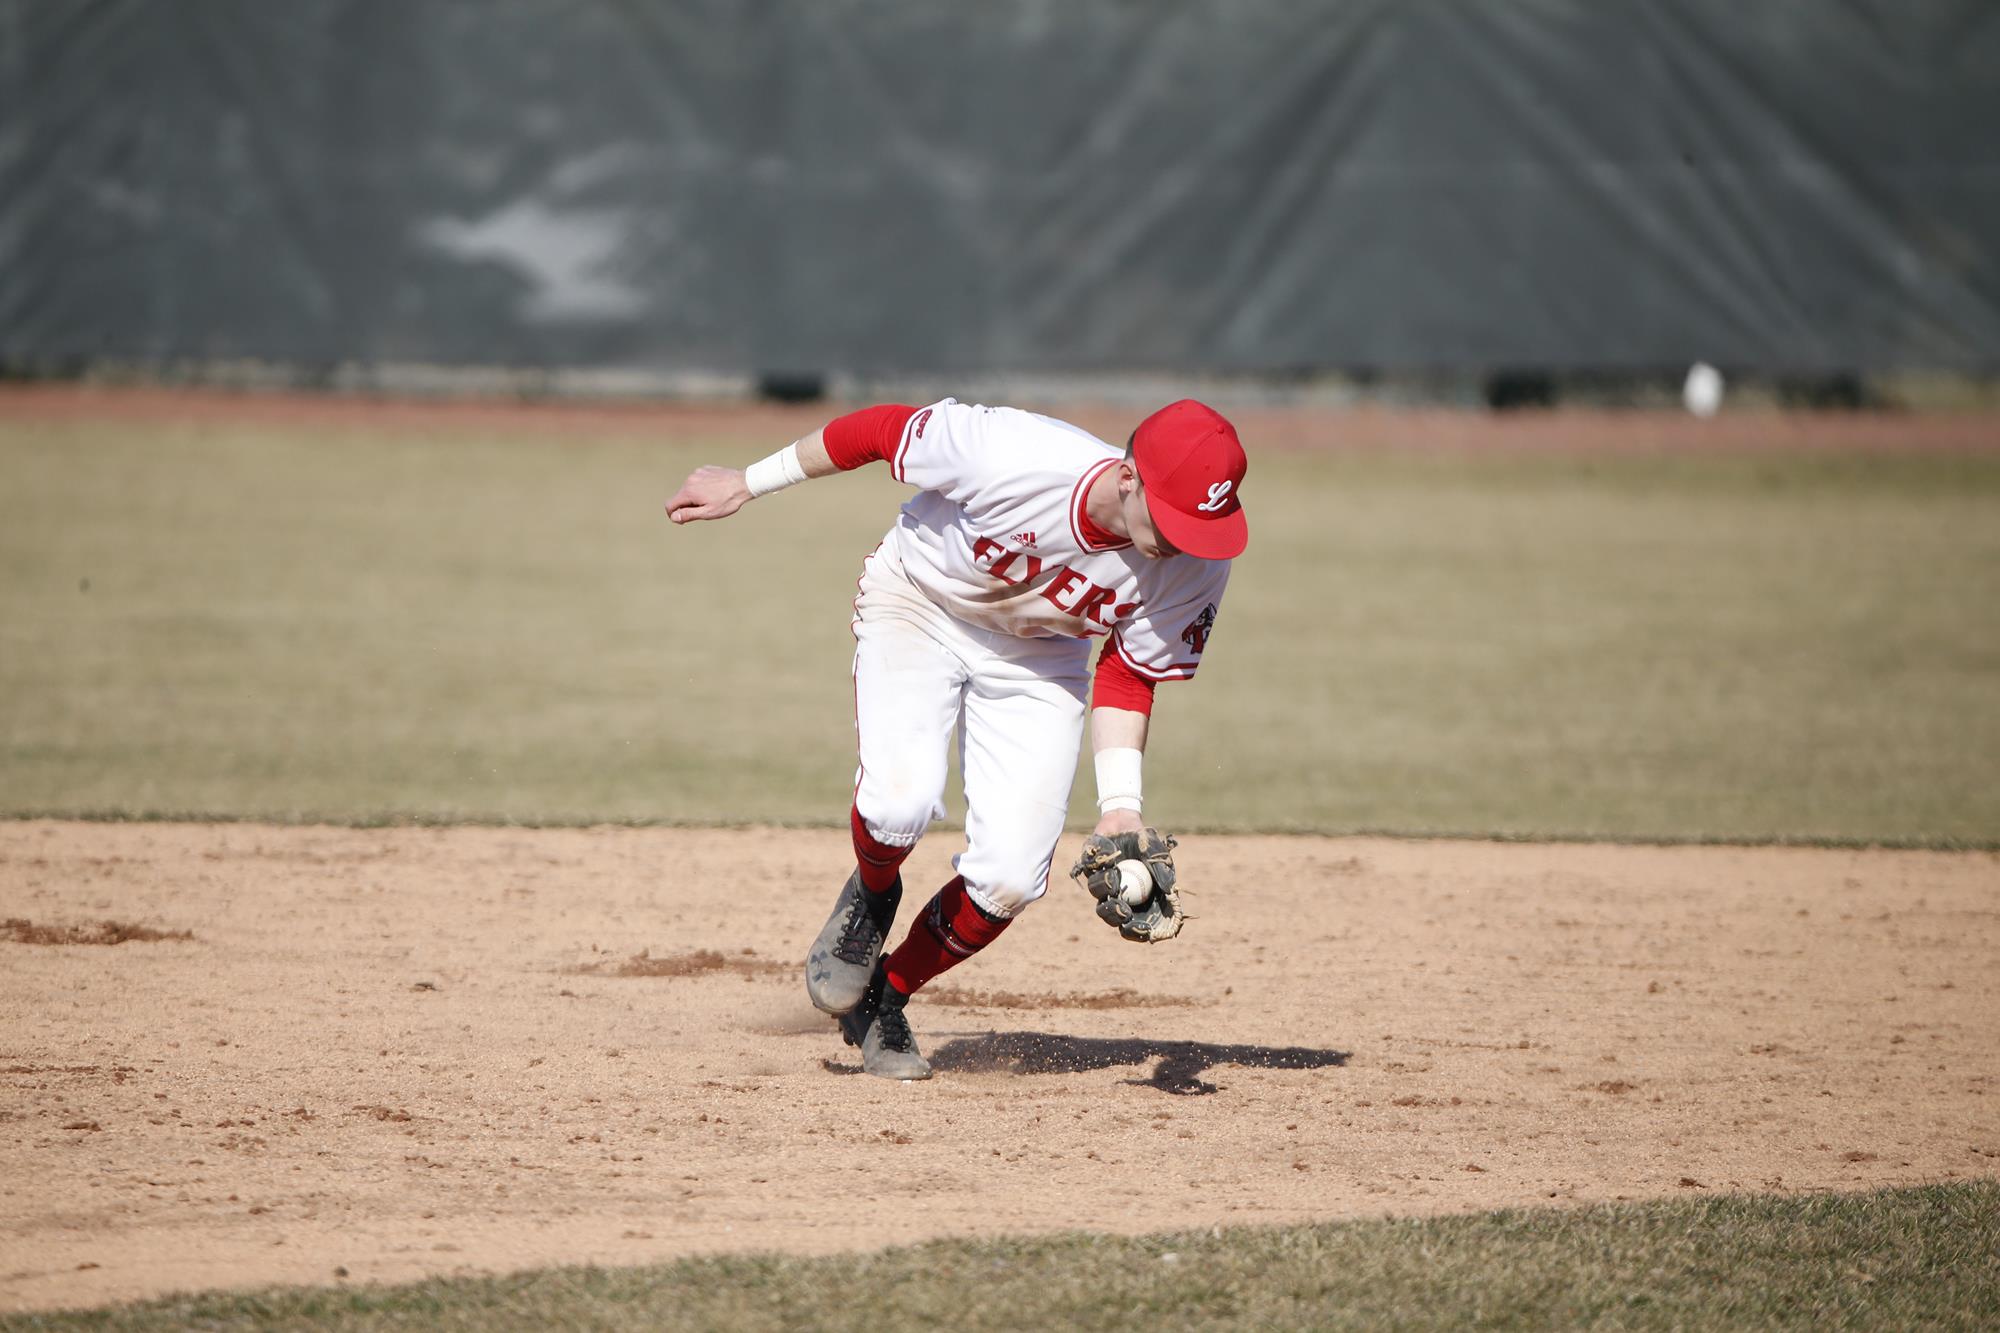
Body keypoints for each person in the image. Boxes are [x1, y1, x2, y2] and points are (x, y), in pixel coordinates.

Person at [666, 398, 1248, 1079]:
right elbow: (878, 432)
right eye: (1172, 518)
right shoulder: (1010, 452)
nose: (1183, 542)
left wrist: (1122, 805)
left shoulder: (1196, 559)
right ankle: (874, 894)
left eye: (1199, 527)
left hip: (1039, 657)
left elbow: (1127, 672)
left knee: (1009, 878)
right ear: (1128, 477)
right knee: (897, 805)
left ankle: (887, 994)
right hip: (920, 603)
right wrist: (748, 480)